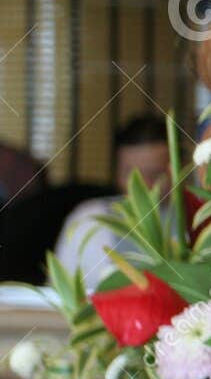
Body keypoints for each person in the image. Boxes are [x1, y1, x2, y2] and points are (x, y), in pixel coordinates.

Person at [53, 115, 174, 290]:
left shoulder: (197, 222)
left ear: (176, 171)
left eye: (154, 175)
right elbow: (61, 295)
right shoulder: (89, 222)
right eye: (131, 177)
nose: (142, 187)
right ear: (116, 173)